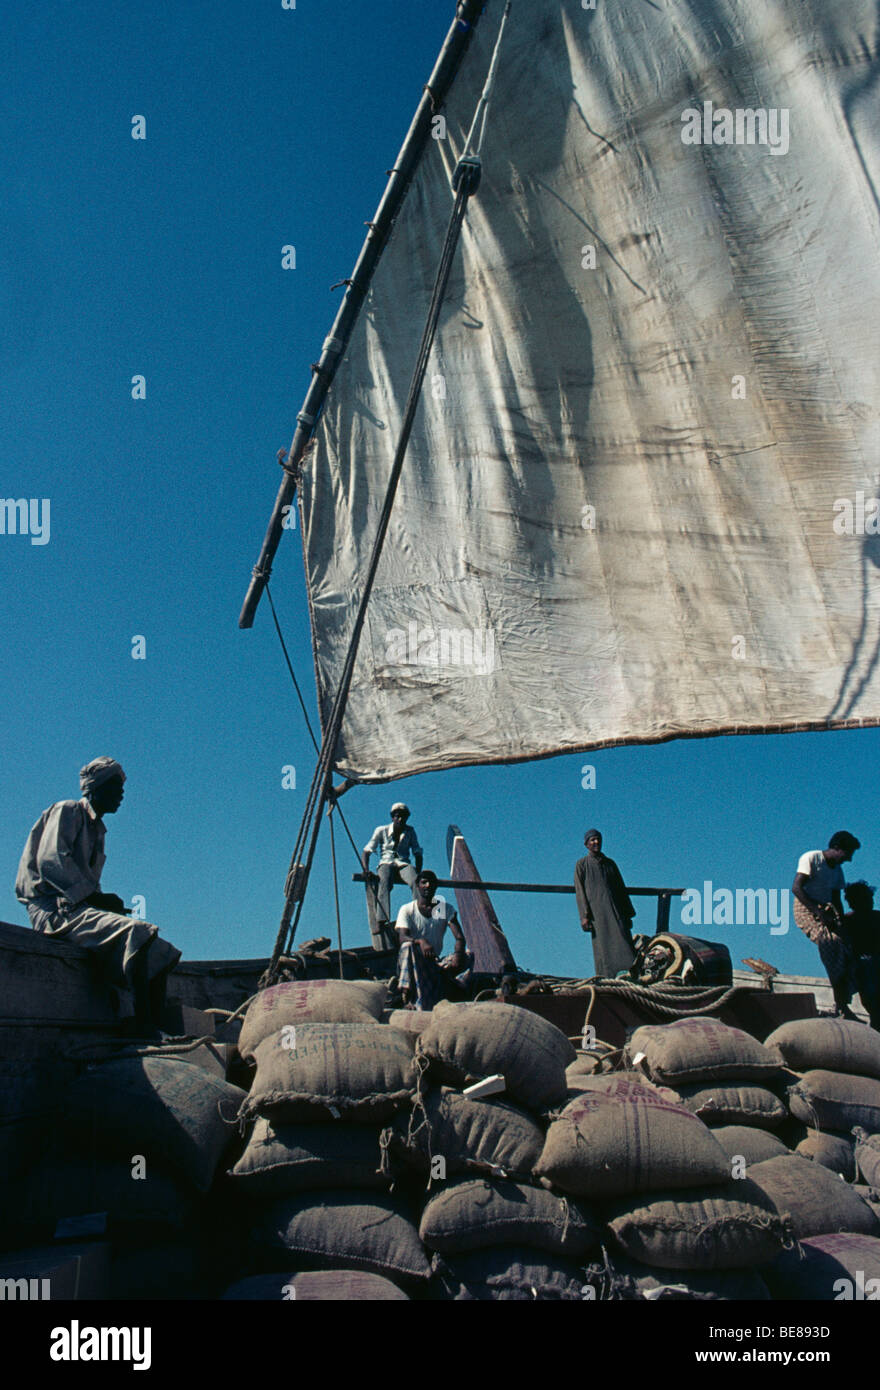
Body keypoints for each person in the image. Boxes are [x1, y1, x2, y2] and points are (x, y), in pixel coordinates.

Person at [15, 757, 181, 1034]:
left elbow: (87, 885)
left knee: (161, 950)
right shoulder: (68, 810)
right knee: (138, 932)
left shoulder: (98, 830)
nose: (122, 794)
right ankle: (142, 1026)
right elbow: (51, 863)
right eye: (115, 786)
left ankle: (157, 1024)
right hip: (54, 912)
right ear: (95, 788)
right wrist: (97, 899)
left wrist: (105, 902)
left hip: (76, 909)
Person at [792, 830, 860, 1020]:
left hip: (826, 909)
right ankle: (840, 1006)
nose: (849, 860)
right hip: (806, 907)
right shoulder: (812, 858)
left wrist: (841, 922)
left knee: (848, 947)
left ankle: (844, 1002)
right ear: (837, 848)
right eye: (848, 854)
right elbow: (796, 888)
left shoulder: (837, 871)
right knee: (830, 943)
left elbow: (836, 898)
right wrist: (818, 912)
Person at [395, 869, 467, 1010]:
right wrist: (421, 941)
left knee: (469, 955)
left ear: (436, 886)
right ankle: (405, 994)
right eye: (424, 882)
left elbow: (459, 937)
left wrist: (458, 955)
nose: (427, 886)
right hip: (415, 961)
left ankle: (453, 983)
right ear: (417, 885)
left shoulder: (442, 908)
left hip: (434, 962)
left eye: (431, 883)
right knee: (407, 946)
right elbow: (402, 937)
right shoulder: (408, 909)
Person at [574, 829, 637, 977]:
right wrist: (584, 916)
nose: (596, 842)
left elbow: (621, 889)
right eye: (592, 840)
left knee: (624, 940)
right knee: (603, 947)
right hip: (597, 913)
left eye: (598, 839)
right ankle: (607, 977)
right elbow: (580, 891)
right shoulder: (582, 865)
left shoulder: (610, 864)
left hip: (616, 910)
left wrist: (628, 914)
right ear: (586, 844)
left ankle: (631, 973)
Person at [362, 803, 423, 934]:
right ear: (392, 817)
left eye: (403, 817)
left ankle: (420, 914)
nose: (400, 820)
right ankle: (381, 920)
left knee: (415, 881)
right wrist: (366, 869)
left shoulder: (410, 831)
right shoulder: (381, 830)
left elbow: (417, 852)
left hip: (403, 863)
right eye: (397, 816)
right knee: (384, 881)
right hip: (386, 862)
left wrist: (418, 871)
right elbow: (367, 851)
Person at [843, 880, 880, 1030]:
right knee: (875, 1008)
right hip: (865, 967)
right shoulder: (849, 921)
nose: (871, 902)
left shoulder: (848, 921)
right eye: (867, 899)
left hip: (866, 967)